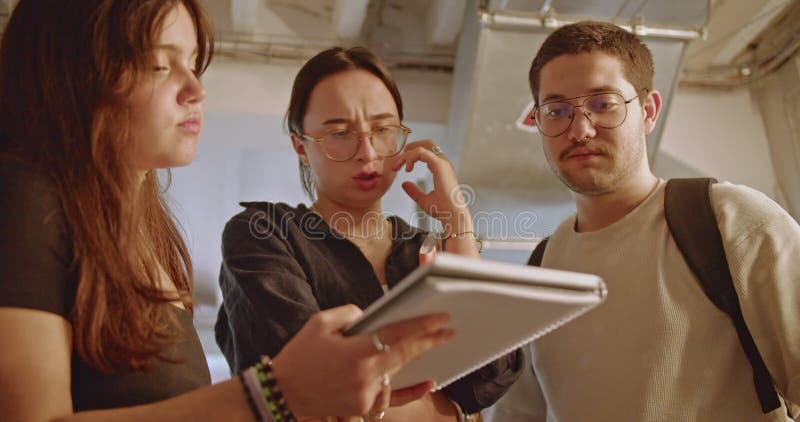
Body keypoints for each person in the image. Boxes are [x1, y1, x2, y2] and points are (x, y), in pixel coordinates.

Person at [0, 1, 457, 421]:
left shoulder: (151, 236)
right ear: (74, 72)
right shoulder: (26, 195)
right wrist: (274, 394)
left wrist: (460, 226)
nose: (196, 89)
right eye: (160, 65)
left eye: (194, 64)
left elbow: (479, 382)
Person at [490, 21, 800, 421]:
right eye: (557, 110)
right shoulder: (540, 270)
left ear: (648, 111)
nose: (580, 129)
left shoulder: (731, 222)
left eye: (602, 104)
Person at [214, 46, 523, 421]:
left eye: (382, 129)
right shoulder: (266, 234)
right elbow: (307, 385)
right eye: (340, 133)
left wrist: (459, 224)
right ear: (300, 145)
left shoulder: (428, 248)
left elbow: (490, 376)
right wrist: (446, 411)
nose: (367, 152)